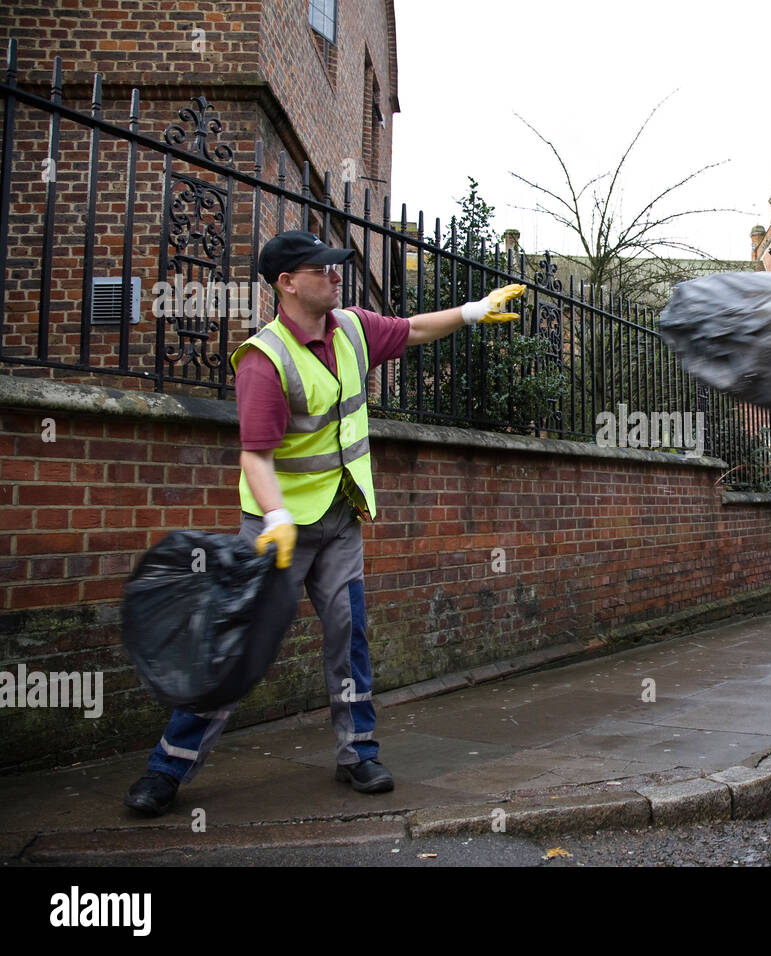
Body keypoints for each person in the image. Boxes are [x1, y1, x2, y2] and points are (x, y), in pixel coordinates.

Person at [123, 230, 524, 815]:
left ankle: (358, 753)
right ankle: (168, 768)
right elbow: (255, 455)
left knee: (349, 636)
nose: (338, 276)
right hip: (278, 530)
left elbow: (410, 329)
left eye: (338, 268)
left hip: (340, 518)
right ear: (287, 283)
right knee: (233, 645)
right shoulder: (266, 358)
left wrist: (471, 310)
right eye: (324, 269)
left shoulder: (354, 329)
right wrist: (278, 516)